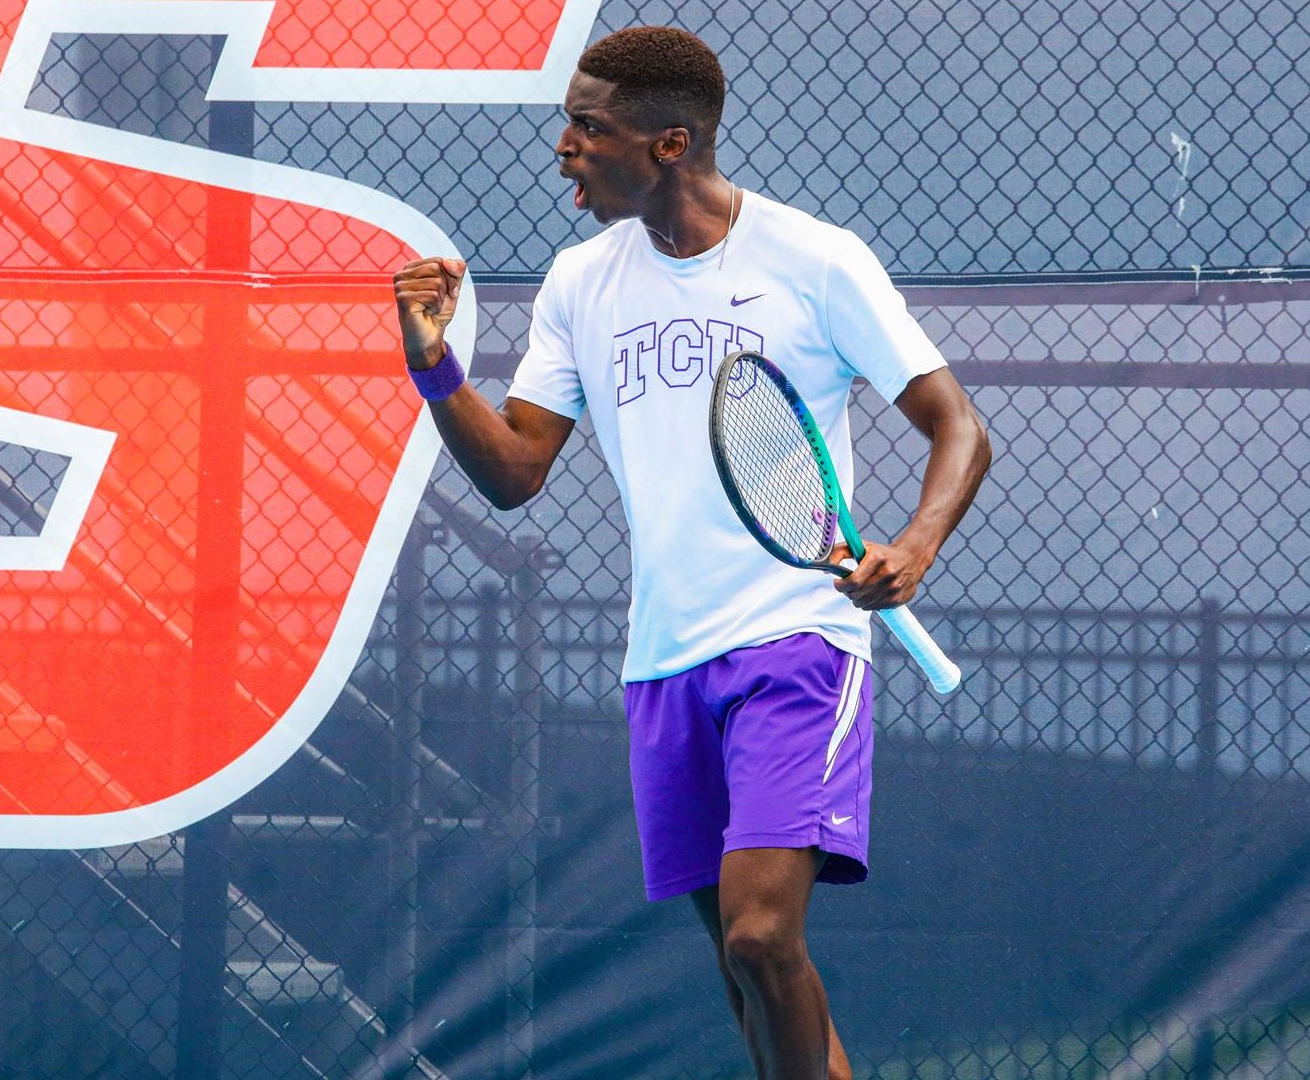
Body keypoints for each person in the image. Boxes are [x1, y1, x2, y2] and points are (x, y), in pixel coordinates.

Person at [392, 25, 991, 1080]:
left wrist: (915, 544)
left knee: (764, 935)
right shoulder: (581, 283)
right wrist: (436, 366)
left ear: (669, 145)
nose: (566, 147)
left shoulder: (815, 260)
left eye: (589, 127)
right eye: (567, 124)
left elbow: (958, 428)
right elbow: (517, 471)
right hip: (663, 663)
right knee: (741, 969)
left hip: (799, 646)